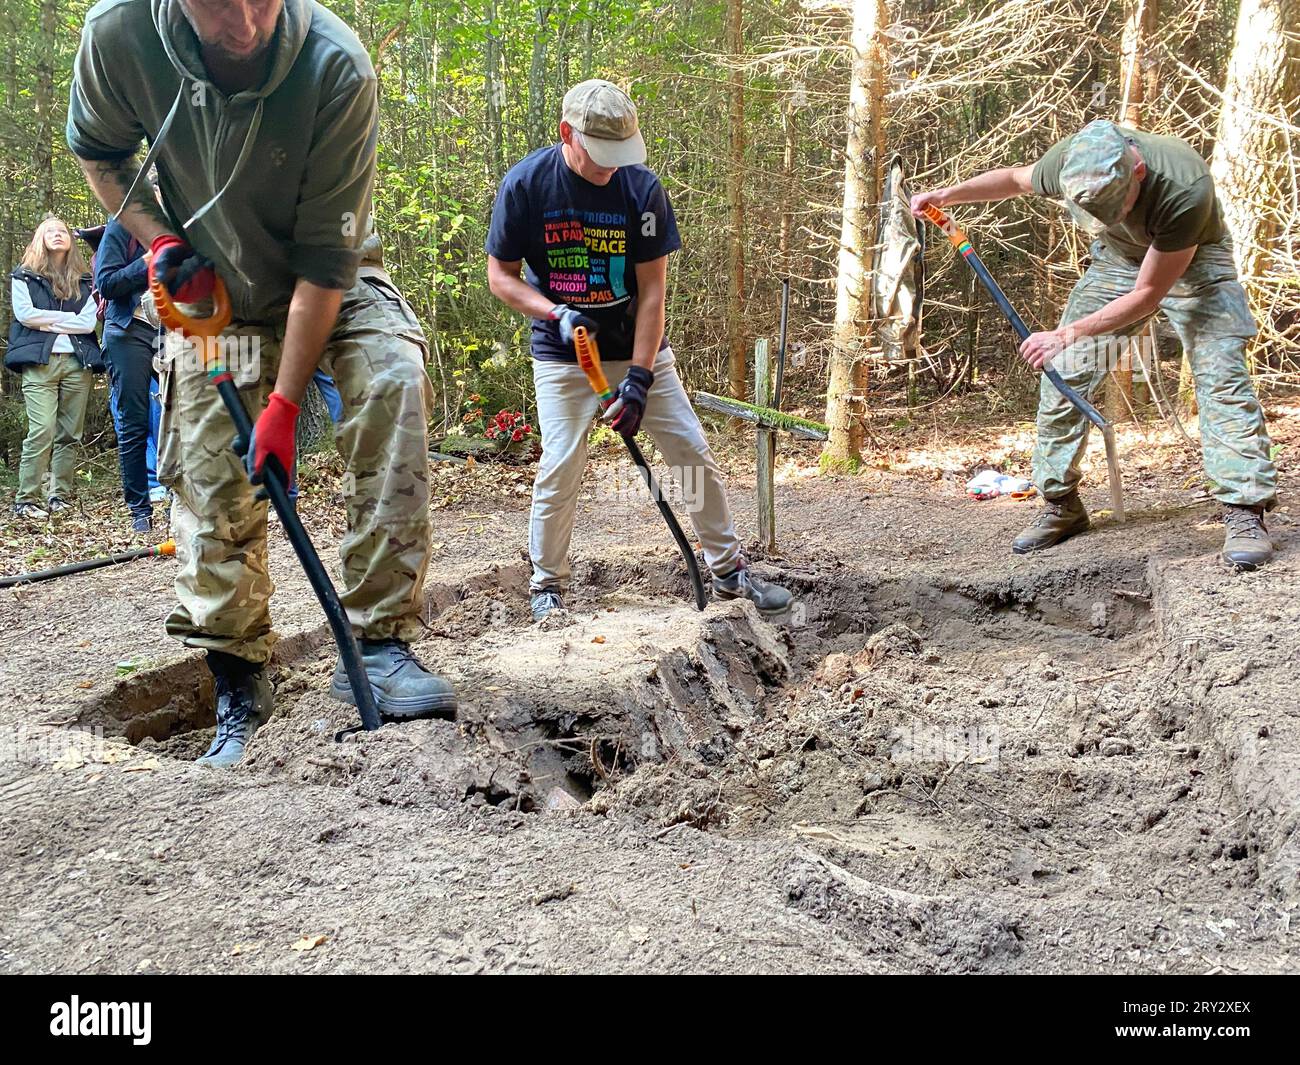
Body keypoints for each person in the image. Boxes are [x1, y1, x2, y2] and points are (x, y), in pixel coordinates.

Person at [67, 0, 455, 768]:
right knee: (212, 475)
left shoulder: (337, 66)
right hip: (218, 294)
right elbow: (100, 154)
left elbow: (322, 266)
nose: (244, 22)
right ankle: (239, 682)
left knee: (391, 377)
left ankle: (378, 647)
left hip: (335, 282)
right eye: (217, 1)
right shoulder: (117, 36)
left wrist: (282, 404)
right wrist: (161, 239)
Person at [486, 80, 793, 621]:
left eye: (620, 155)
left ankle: (728, 573)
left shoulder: (641, 189)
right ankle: (546, 586)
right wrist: (554, 313)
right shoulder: (527, 186)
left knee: (691, 452)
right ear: (568, 135)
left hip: (639, 349)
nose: (612, 168)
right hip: (563, 354)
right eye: (602, 156)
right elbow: (501, 278)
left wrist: (641, 379)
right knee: (560, 463)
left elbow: (653, 294)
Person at [912, 120, 1277, 570]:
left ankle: (1244, 509)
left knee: (1221, 378)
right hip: (1118, 263)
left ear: (1137, 171)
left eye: (1115, 206)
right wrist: (947, 196)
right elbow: (1013, 179)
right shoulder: (1071, 160)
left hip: (1196, 264)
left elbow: (1148, 294)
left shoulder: (1184, 187)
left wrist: (1067, 332)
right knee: (1064, 370)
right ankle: (1061, 503)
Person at [6, 216, 102, 520]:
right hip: (40, 361)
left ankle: (59, 496)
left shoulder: (86, 279)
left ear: (71, 240)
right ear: (40, 238)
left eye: (62, 231)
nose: (58, 235)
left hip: (78, 361)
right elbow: (25, 315)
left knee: (69, 434)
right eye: (51, 231)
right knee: (42, 430)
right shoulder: (24, 276)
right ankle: (27, 499)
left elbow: (88, 322)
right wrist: (65, 323)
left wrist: (46, 320)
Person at [94, 211, 164, 532]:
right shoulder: (121, 226)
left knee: (183, 413)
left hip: (171, 330)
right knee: (134, 419)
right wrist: (147, 261)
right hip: (129, 330)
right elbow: (106, 283)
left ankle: (184, 494)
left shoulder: (178, 225)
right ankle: (140, 509)